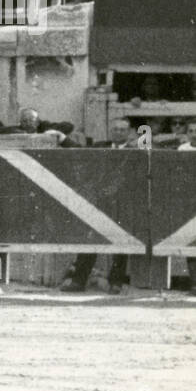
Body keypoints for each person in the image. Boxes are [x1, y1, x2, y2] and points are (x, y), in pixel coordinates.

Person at [61, 119, 137, 293]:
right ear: (111, 131)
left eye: (122, 130)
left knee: (121, 242)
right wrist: (63, 139)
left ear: (129, 132)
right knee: (90, 239)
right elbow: (80, 153)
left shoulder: (135, 151)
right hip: (99, 201)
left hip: (123, 202)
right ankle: (79, 280)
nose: (118, 132)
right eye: (115, 129)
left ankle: (116, 282)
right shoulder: (99, 146)